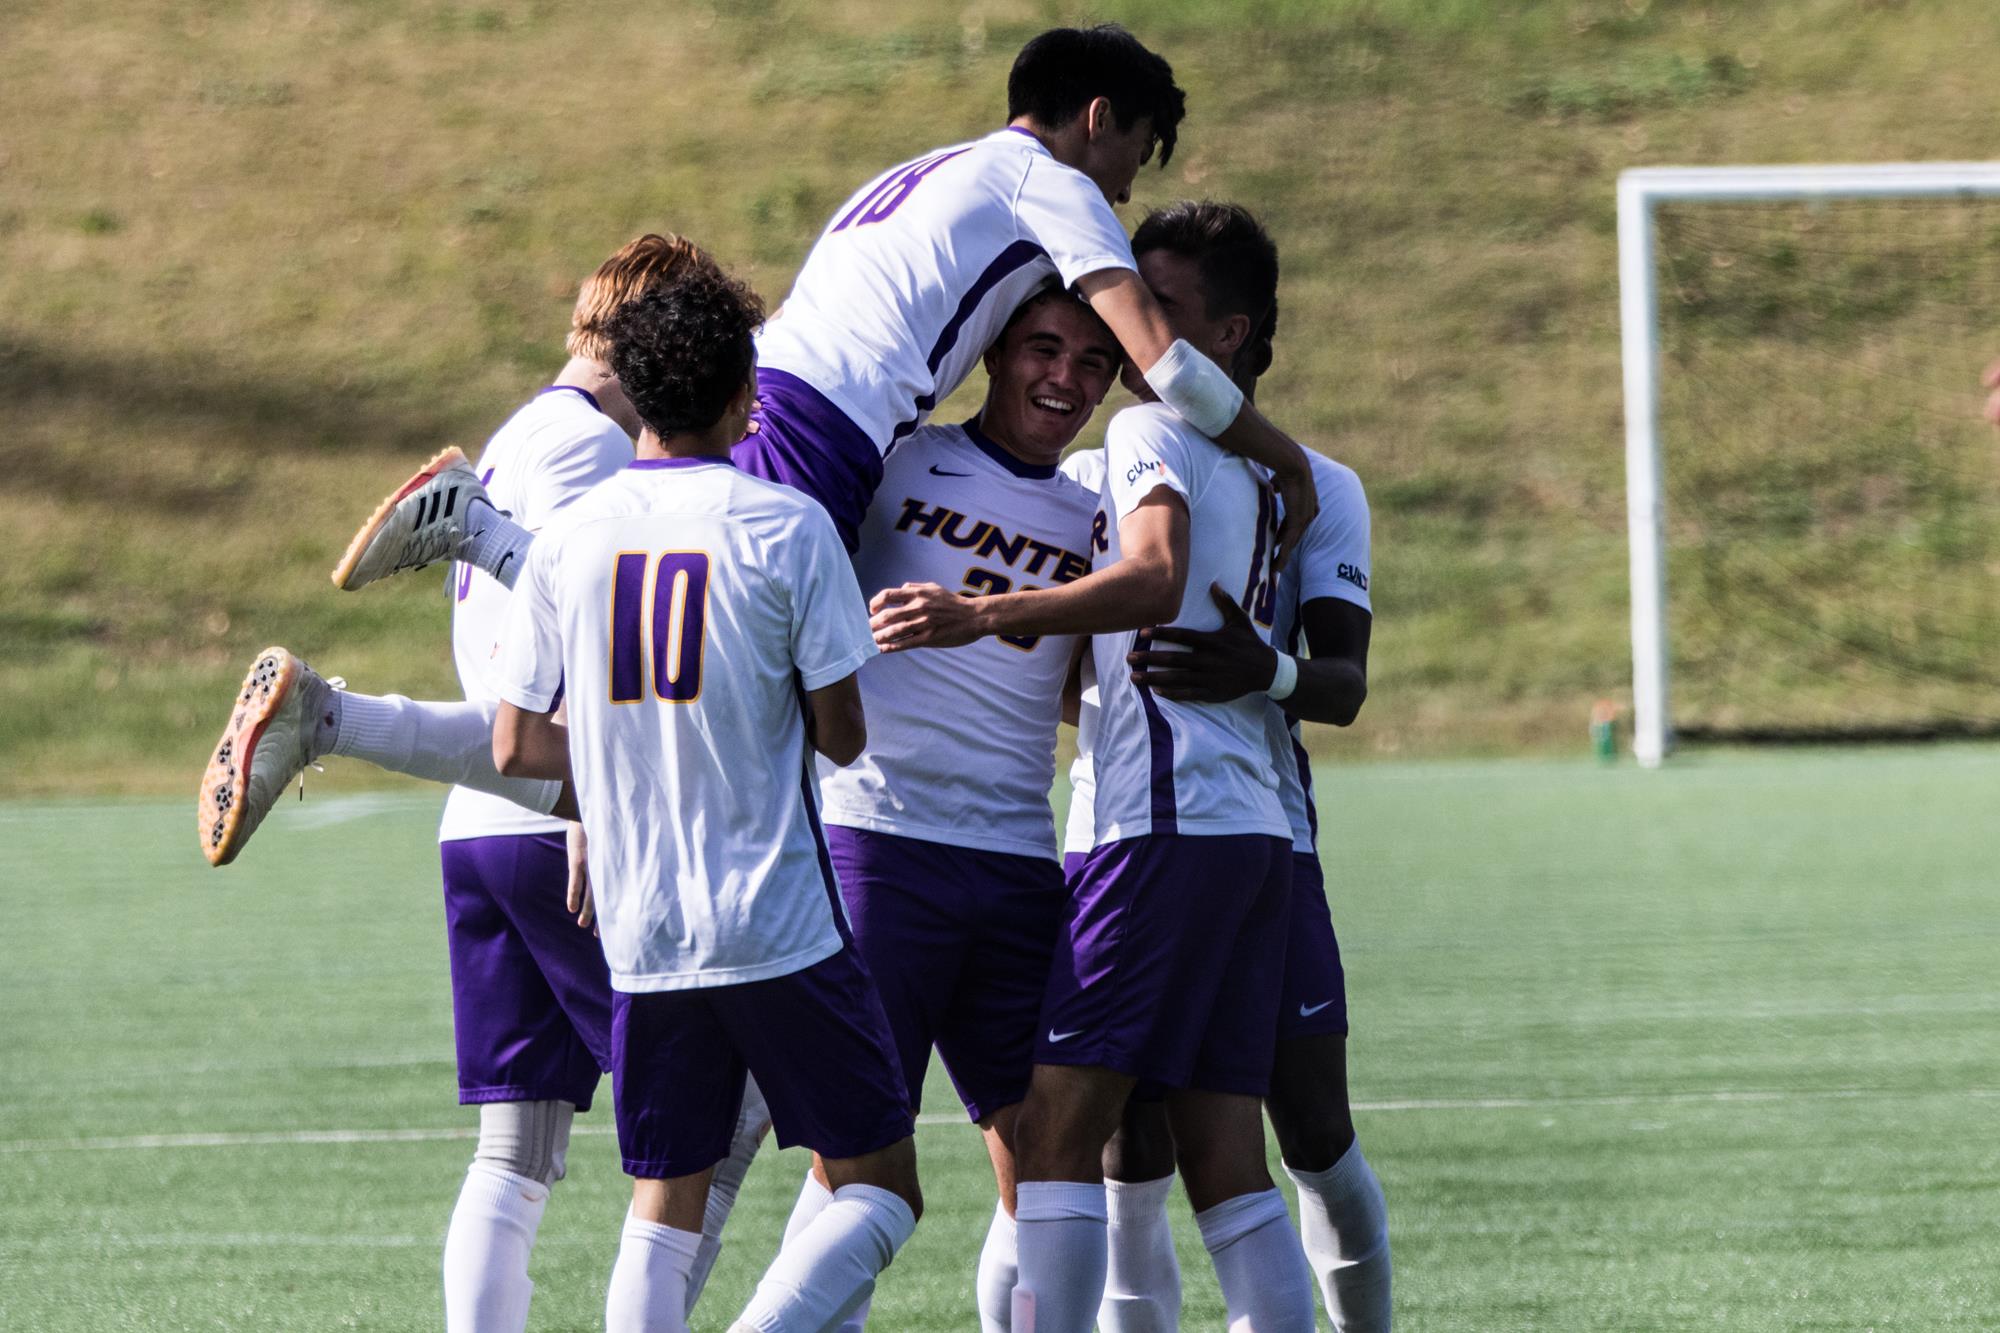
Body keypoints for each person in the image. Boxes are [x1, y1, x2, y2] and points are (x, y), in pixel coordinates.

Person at [196, 233, 767, 1329]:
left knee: (516, 1150)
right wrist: (601, 808)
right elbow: (593, 637)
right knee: (723, 1121)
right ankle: (335, 715)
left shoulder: (524, 432)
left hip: (484, 831)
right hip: (571, 827)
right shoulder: (596, 450)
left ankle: (339, 716)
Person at [325, 24, 1318, 615]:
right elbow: (1169, 368)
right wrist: (1285, 459)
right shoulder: (1053, 186)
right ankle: (489, 534)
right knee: (734, 646)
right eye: (1137, 153)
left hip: (770, 390)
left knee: (698, 630)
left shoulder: (936, 166)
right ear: (1097, 120)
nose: (1126, 187)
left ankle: (488, 556)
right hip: (823, 421)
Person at [871, 201, 1319, 1333]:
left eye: (1137, 321)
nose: (1121, 351)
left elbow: (1153, 581)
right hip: (1250, 831)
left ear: (1218, 338)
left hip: (1150, 832)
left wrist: (984, 617)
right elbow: (1123, 653)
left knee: (1057, 1137)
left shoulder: (1134, 444)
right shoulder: (1257, 471)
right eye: (1050, 345)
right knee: (1223, 1156)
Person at [490, 257, 920, 1333]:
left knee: (663, 1207)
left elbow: (514, 744)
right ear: (745, 396)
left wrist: (639, 750)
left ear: (632, 387)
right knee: (880, 1188)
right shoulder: (783, 527)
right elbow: (842, 734)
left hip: (644, 929)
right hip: (776, 920)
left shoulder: (569, 542)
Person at [790, 283, 1119, 1333]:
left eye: (1091, 361)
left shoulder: (1097, 516)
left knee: (1042, 1150)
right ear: (992, 352)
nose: (1064, 377)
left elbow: (1077, 683)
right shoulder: (895, 461)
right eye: (1042, 348)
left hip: (1020, 863)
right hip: (876, 844)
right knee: (855, 1157)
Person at [1087, 429, 1391, 1332]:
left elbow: (1344, 685)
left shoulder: (1322, 485)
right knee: (1125, 1137)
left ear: (1239, 337)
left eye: (1166, 309)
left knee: (1312, 1126)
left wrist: (1269, 671)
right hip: (1117, 829)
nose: (1144, 343)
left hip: (1269, 835)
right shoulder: (1099, 463)